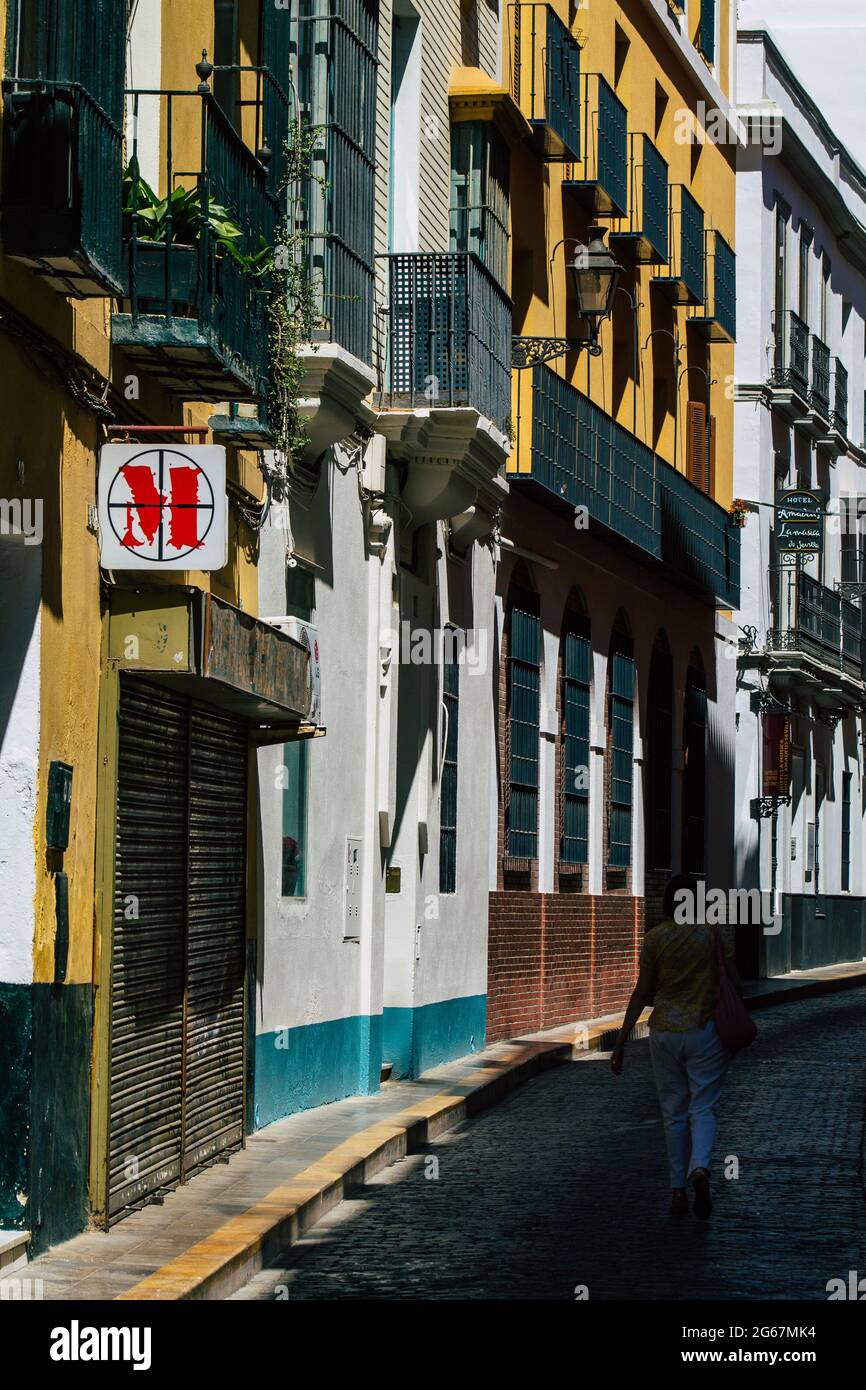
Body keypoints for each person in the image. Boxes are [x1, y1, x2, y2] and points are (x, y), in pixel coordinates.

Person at [610, 874, 743, 1220]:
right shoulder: (713, 935)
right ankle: (699, 1166)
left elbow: (642, 992)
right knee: (704, 1106)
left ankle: (676, 1190)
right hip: (705, 1031)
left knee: (673, 1111)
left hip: (665, 1032)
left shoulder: (655, 939)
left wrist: (621, 1040)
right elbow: (733, 979)